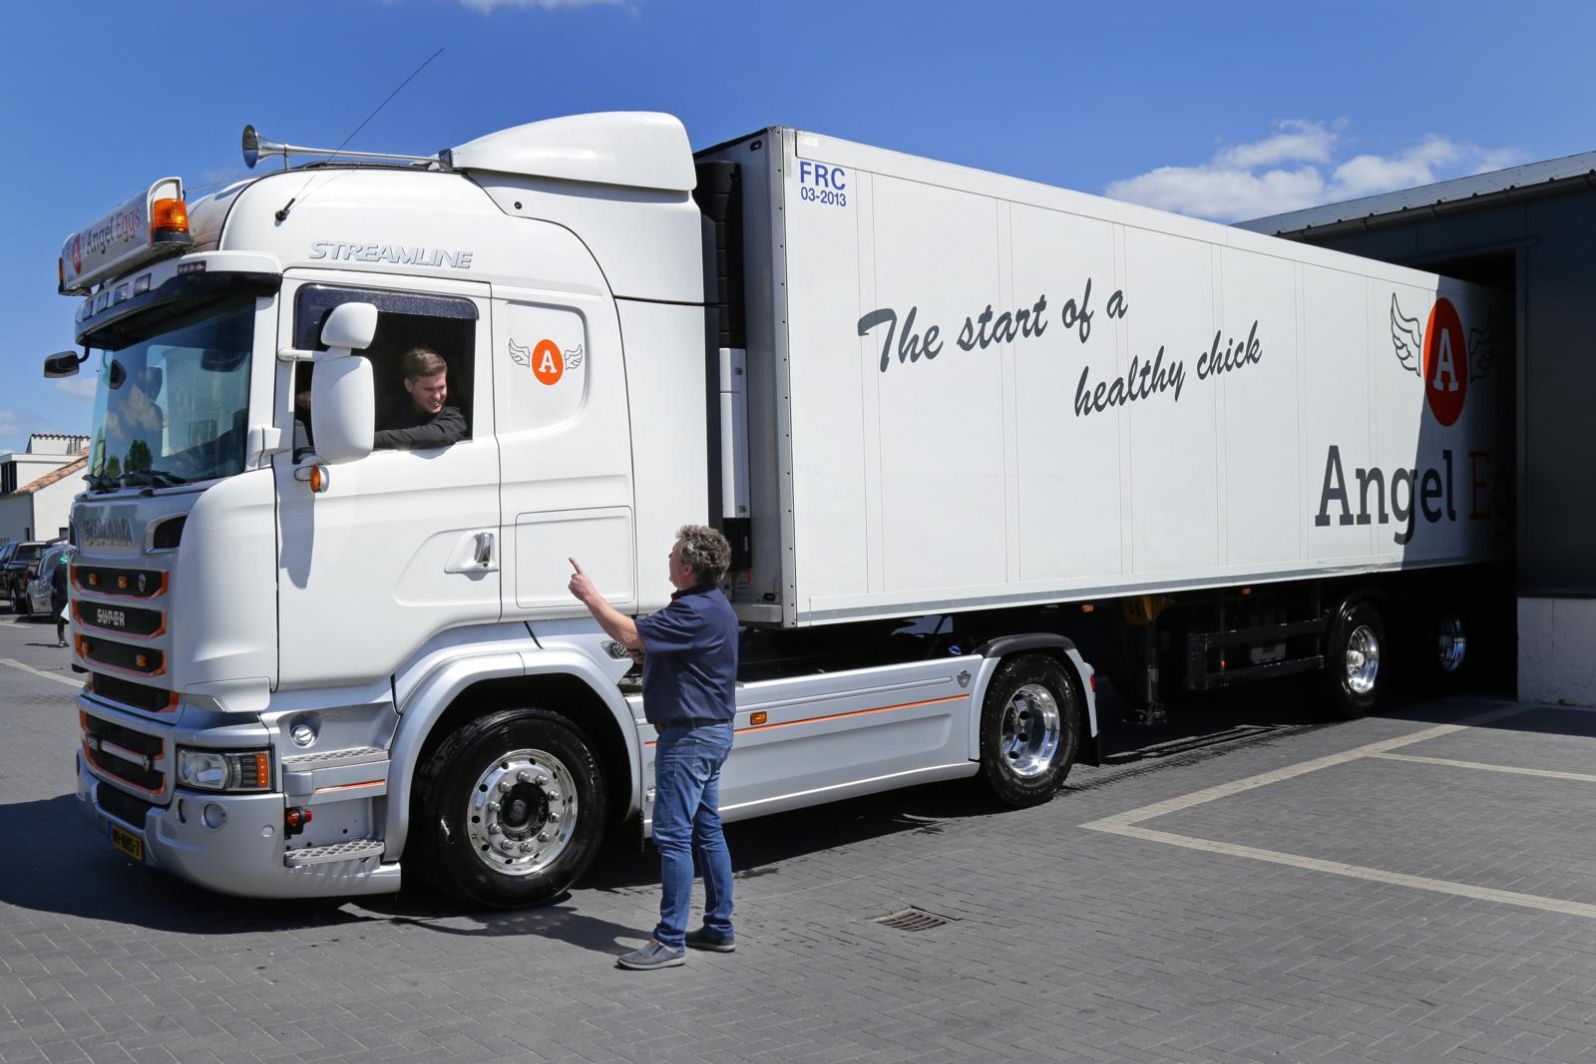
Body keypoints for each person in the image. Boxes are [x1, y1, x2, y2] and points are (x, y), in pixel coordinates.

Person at [567, 525, 739, 971]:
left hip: (689, 736)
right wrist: (653, 656)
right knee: (707, 830)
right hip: (712, 730)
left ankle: (669, 940)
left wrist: (590, 596)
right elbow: (685, 655)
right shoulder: (713, 606)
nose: (667, 558)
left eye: (672, 554)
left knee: (673, 836)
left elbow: (628, 634)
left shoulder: (693, 612)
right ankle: (719, 927)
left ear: (687, 566)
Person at [373, 347, 467, 450]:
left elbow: (438, 436)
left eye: (441, 387)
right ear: (409, 385)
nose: (437, 396)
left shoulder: (456, 410)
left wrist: (373, 440)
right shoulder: (392, 406)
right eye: (429, 389)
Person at [50, 549, 71, 648]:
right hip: (71, 596)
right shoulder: (71, 567)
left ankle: (62, 640)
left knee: (61, 618)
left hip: (61, 596)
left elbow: (53, 584)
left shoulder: (57, 568)